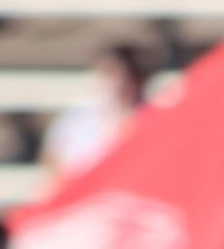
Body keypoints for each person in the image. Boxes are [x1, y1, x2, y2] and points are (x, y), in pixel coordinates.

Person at [41, 44, 149, 180]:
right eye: (111, 74)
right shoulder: (76, 120)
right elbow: (53, 169)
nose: (119, 83)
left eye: (127, 76)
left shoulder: (154, 121)